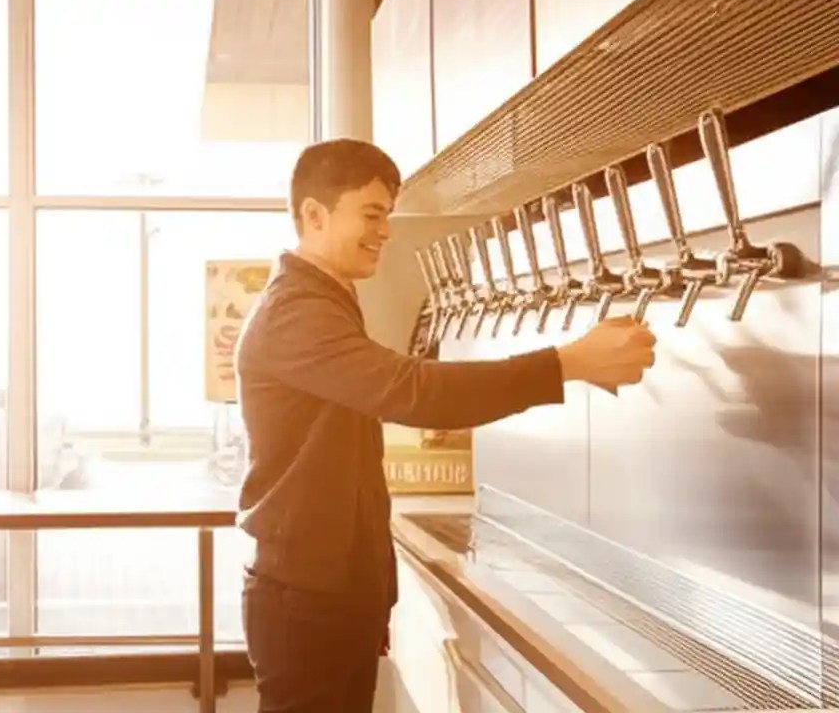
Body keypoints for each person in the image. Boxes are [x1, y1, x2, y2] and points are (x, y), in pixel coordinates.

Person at [235, 138, 656, 712]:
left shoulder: (325, 301)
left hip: (328, 594)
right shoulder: (296, 313)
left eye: (387, 216)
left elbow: (357, 463)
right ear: (314, 215)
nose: (385, 232)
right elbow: (414, 392)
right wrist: (566, 363)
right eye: (372, 214)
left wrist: (373, 599)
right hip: (306, 599)